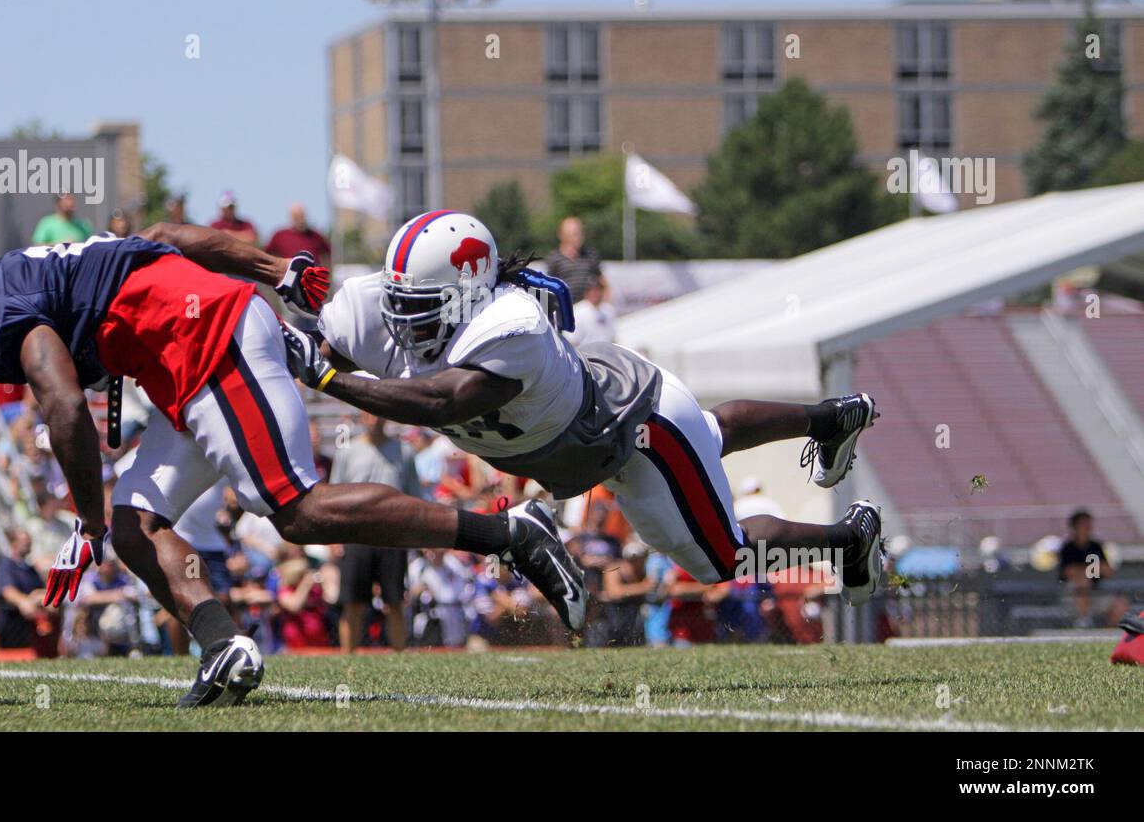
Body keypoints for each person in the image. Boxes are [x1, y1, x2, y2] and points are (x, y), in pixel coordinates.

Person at [0, 214, 581, 706]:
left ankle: (510, 532)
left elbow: (62, 405)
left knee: (296, 511)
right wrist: (275, 267)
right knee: (137, 521)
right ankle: (222, 644)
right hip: (190, 359)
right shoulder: (26, 270)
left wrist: (82, 520)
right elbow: (161, 238)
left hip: (210, 343)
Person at [283, 210, 886, 628]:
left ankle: (848, 541)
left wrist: (331, 379)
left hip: (632, 430)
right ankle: (829, 420)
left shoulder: (509, 326)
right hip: (587, 421)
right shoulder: (382, 302)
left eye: (418, 307)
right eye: (396, 302)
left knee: (718, 558)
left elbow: (441, 402)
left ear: (466, 295)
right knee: (710, 433)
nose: (400, 322)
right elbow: (318, 334)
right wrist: (297, 321)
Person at [329, 411, 419, 652]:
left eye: (378, 414)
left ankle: (399, 657)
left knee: (395, 601)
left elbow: (414, 496)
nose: (374, 418)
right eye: (368, 414)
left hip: (392, 537)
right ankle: (348, 661)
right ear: (362, 417)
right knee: (353, 603)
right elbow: (335, 497)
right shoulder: (347, 452)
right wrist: (335, 537)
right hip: (357, 537)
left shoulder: (404, 451)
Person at [1058, 508, 1130, 629]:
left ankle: (1107, 635)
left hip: (1095, 593)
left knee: (1120, 605)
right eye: (1083, 524)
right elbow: (1068, 572)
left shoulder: (1095, 547)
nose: (1087, 528)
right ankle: (1083, 621)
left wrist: (1088, 569)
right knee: (1083, 581)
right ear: (1075, 527)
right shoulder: (1068, 547)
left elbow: (1108, 571)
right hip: (1072, 595)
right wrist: (1090, 569)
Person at [542, 216, 602, 304]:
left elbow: (600, 280)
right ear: (562, 235)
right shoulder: (554, 259)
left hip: (586, 305)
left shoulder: (590, 255)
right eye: (574, 234)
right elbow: (545, 287)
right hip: (564, 307)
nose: (579, 237)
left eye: (580, 233)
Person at [265, 203, 331, 265]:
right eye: (296, 216)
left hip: (312, 274)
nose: (300, 220)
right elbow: (267, 254)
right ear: (291, 217)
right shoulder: (279, 236)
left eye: (302, 216)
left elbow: (328, 254)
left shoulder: (315, 235)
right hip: (289, 274)